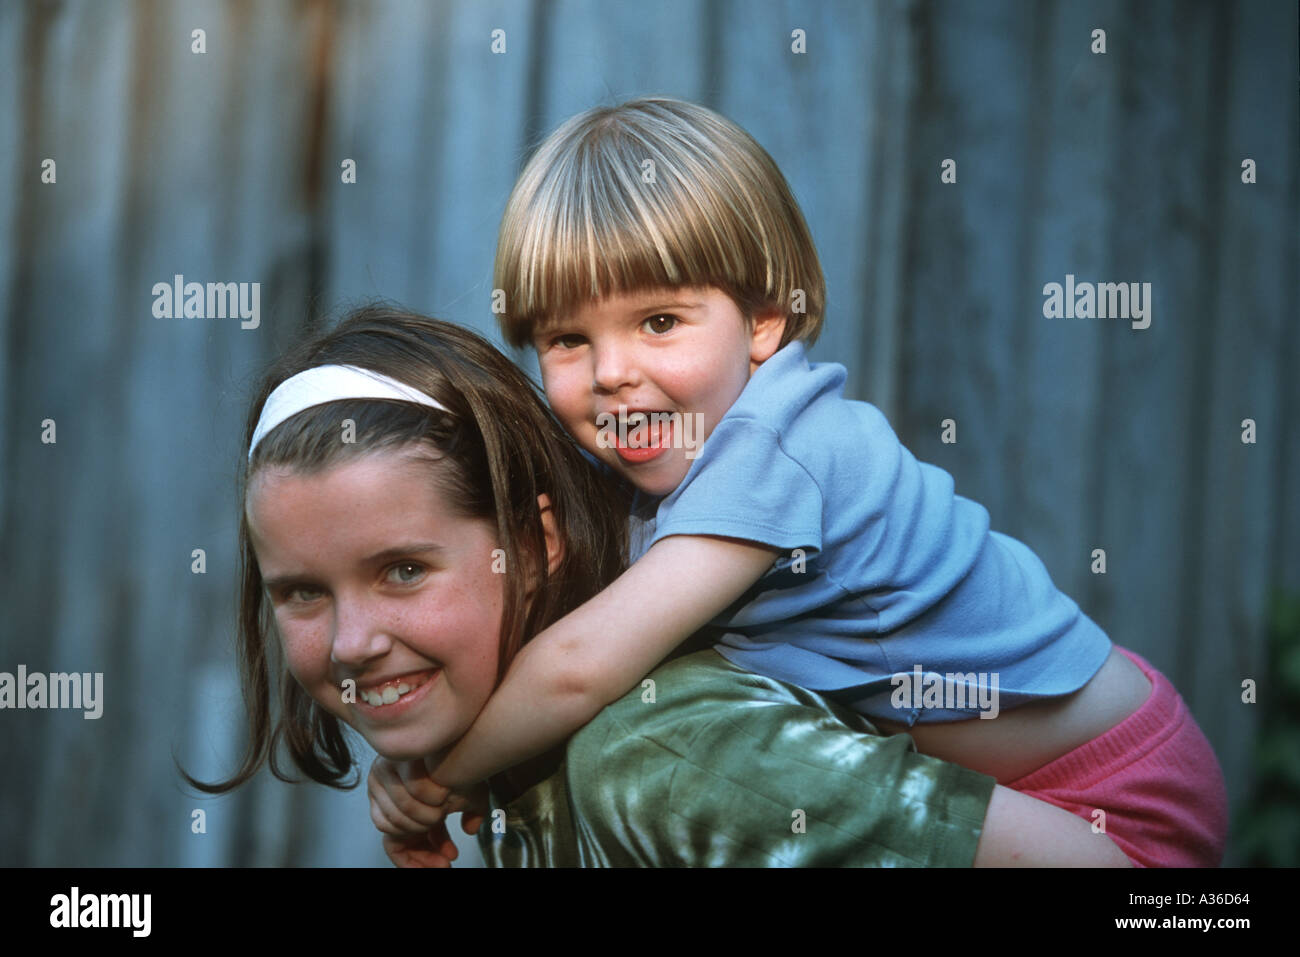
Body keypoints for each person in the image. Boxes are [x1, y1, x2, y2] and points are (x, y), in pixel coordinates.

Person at [386, 98, 1226, 868]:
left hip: (1113, 805)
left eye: (659, 322)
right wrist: (414, 750)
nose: (612, 371)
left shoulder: (777, 448)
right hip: (998, 791)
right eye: (568, 338)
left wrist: (447, 776)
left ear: (763, 320)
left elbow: (575, 667)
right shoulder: (653, 464)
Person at [189, 305, 1129, 867]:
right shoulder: (527, 754)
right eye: (302, 592)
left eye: (403, 570)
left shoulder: (656, 748)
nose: (352, 641)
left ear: (536, 540)